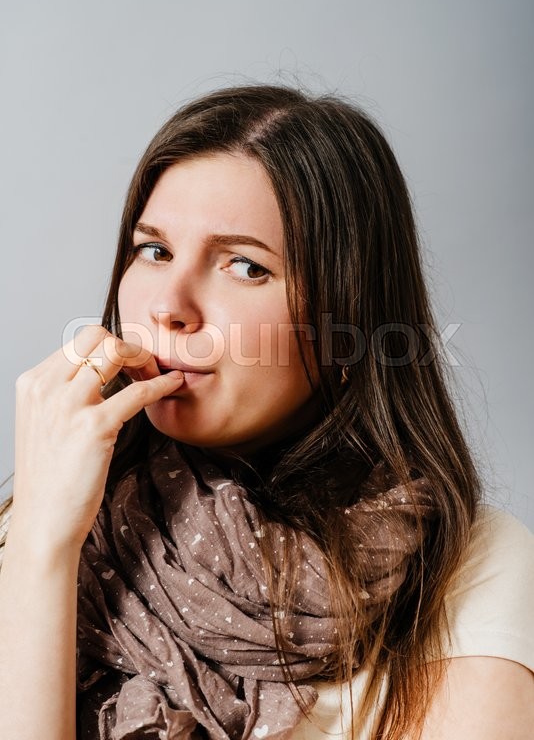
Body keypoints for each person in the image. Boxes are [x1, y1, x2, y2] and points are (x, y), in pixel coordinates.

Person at [0, 84, 532, 740]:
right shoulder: (45, 529)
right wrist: (39, 549)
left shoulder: (469, 569)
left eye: (245, 266)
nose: (170, 304)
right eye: (154, 250)